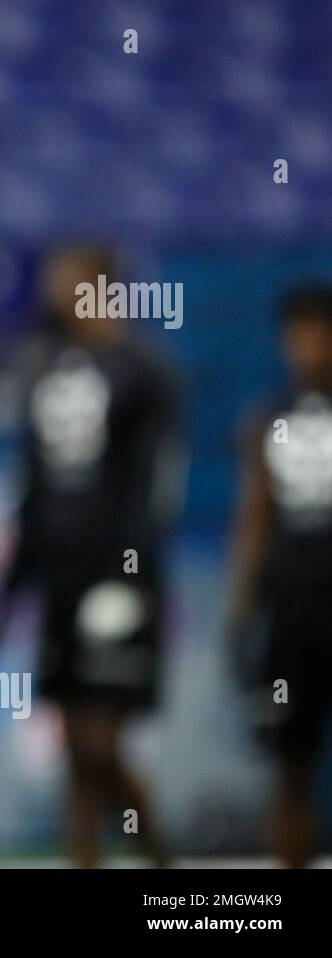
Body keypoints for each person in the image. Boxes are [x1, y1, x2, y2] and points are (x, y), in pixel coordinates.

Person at [0, 245, 181, 867]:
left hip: (118, 577)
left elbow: (156, 484)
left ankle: (164, 871)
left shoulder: (146, 372)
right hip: (60, 580)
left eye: (69, 283)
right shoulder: (44, 368)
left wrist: (128, 574)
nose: (54, 296)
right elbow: (33, 486)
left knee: (101, 743)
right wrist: (7, 594)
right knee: (73, 747)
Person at [226, 286, 332, 868]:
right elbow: (254, 518)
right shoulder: (269, 418)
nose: (309, 347)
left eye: (320, 332)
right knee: (290, 764)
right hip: (292, 609)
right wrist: (240, 612)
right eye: (299, 334)